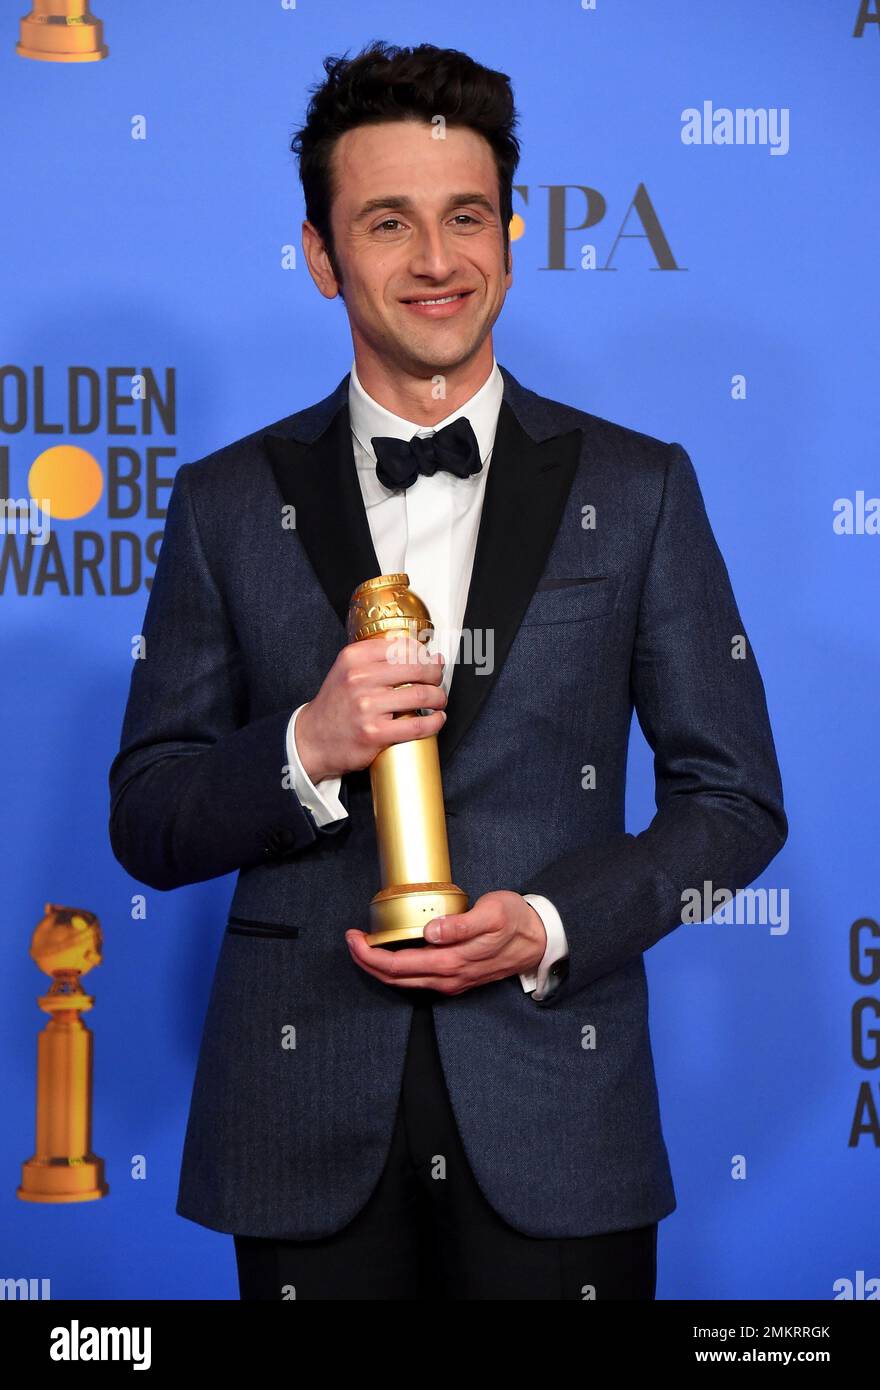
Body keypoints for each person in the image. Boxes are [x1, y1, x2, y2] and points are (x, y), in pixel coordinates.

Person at [108, 41, 787, 1300]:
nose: (435, 261)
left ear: (511, 237)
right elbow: (146, 819)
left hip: (559, 1111)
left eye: (465, 216)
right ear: (321, 256)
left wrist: (551, 923)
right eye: (387, 222)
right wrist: (303, 748)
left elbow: (735, 801)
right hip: (300, 1121)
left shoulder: (636, 489)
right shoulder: (222, 502)